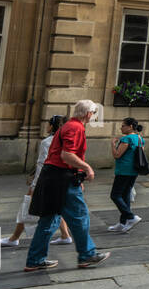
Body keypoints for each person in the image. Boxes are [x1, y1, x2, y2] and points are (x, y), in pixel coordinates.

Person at [24, 99, 110, 272]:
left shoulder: (69, 125)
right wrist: (86, 168)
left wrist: (78, 174)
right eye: (93, 113)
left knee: (49, 220)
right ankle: (87, 255)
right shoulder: (76, 127)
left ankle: (35, 260)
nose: (93, 116)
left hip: (52, 177)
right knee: (79, 216)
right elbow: (67, 155)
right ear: (88, 114)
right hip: (61, 179)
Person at [0, 115, 73, 248]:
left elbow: (43, 165)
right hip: (60, 181)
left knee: (27, 207)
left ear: (52, 126)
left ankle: (14, 238)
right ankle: (65, 235)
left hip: (44, 182)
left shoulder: (48, 142)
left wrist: (34, 185)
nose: (46, 126)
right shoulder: (65, 140)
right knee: (56, 209)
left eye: (48, 124)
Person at [107, 117, 144, 233]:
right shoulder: (139, 138)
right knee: (125, 195)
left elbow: (117, 155)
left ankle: (131, 217)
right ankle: (123, 223)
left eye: (123, 125)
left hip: (124, 171)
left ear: (130, 127)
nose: (121, 127)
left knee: (115, 195)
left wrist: (113, 144)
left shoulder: (127, 139)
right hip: (134, 171)